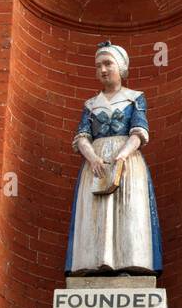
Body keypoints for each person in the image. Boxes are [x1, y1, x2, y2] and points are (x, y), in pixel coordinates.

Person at [65, 41, 163, 276]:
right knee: (95, 212)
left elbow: (139, 132)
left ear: (121, 66)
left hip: (125, 160)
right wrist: (92, 158)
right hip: (96, 163)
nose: (103, 70)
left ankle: (129, 261)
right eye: (98, 66)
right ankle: (93, 261)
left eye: (108, 63)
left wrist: (122, 155)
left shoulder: (135, 98)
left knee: (126, 209)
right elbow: (81, 137)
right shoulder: (90, 105)